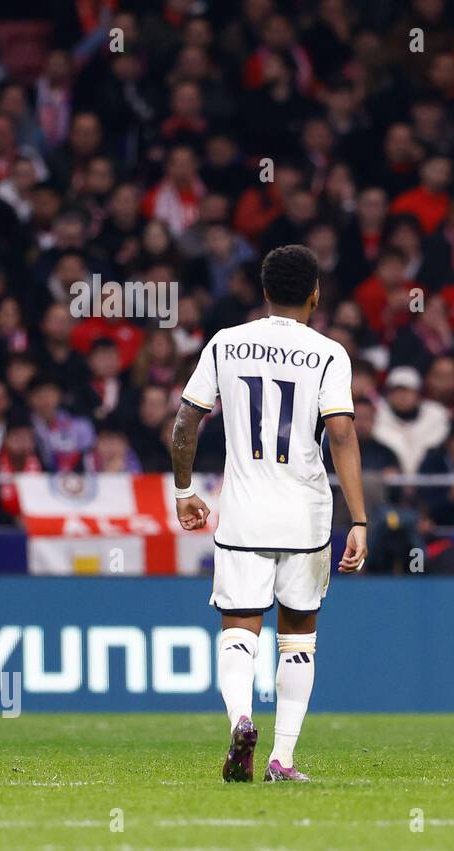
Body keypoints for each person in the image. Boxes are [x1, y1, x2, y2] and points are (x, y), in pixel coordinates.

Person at [171, 244, 369, 784]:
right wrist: (358, 519)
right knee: (298, 633)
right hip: (305, 514)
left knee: (239, 627)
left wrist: (184, 490)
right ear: (315, 295)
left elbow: (186, 421)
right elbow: (342, 433)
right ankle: (282, 758)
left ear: (263, 292)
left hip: (243, 512)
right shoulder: (329, 353)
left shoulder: (225, 343)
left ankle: (241, 719)